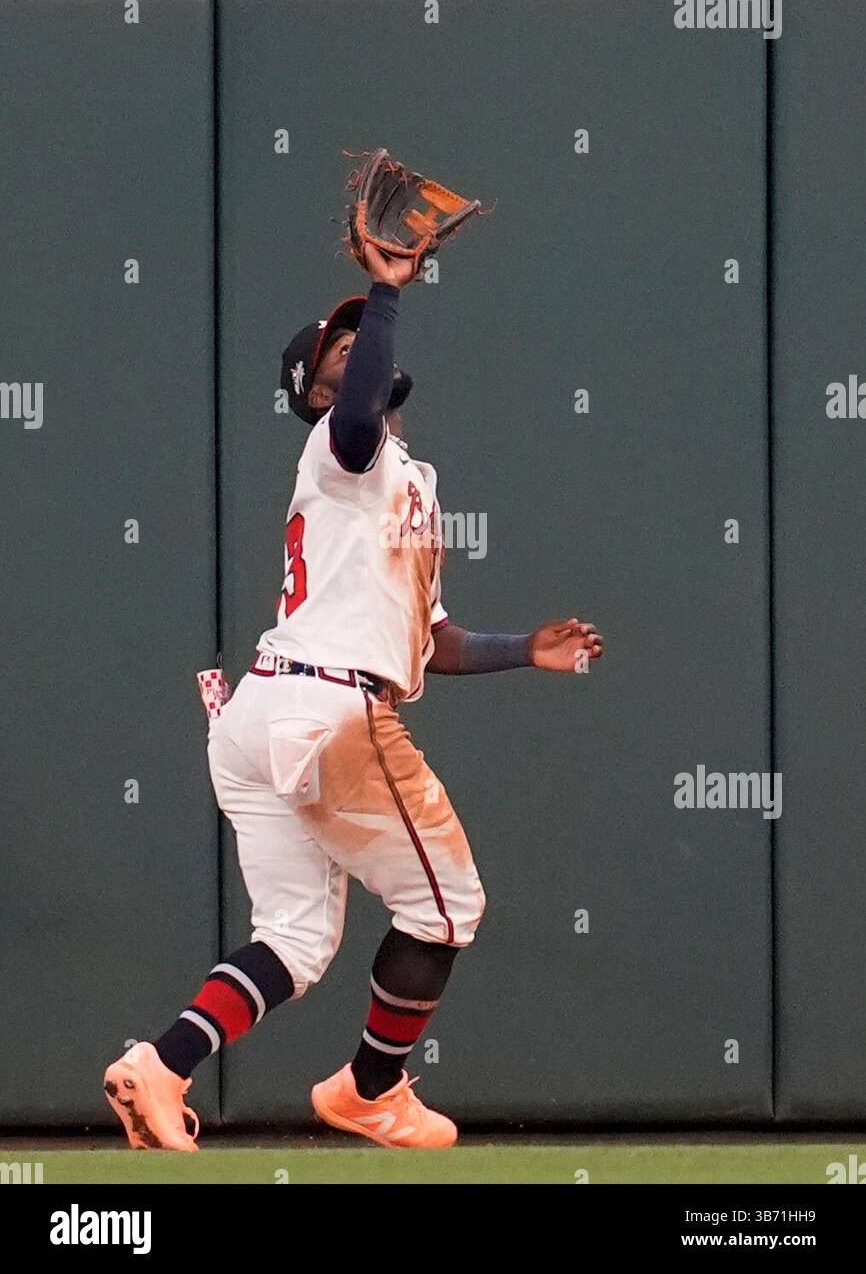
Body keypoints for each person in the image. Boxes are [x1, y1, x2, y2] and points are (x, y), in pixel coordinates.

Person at [103, 246, 603, 1151]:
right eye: (338, 350)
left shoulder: (405, 480)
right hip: (324, 711)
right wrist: (385, 293)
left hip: (262, 716)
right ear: (320, 393)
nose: (357, 348)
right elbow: (360, 414)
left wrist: (523, 651)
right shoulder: (342, 451)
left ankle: (160, 1065)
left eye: (355, 341)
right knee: (447, 904)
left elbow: (432, 643)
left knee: (293, 940)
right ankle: (371, 1090)